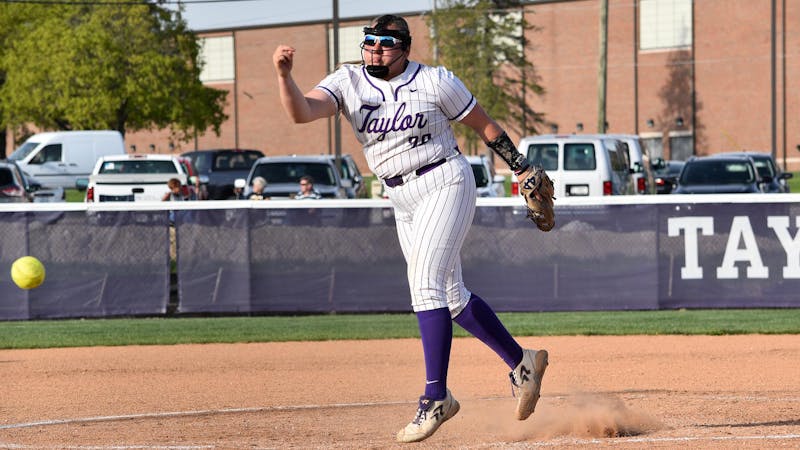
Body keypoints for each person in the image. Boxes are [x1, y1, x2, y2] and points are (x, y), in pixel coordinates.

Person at [273, 14, 549, 443]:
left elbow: (484, 125)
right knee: (451, 295)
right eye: (369, 41)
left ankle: (436, 396)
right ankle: (522, 362)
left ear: (404, 47)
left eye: (385, 42)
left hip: (445, 180)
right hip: (400, 196)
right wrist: (284, 77)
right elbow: (302, 112)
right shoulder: (349, 82)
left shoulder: (436, 81)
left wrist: (520, 167)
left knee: (424, 285)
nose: (375, 49)